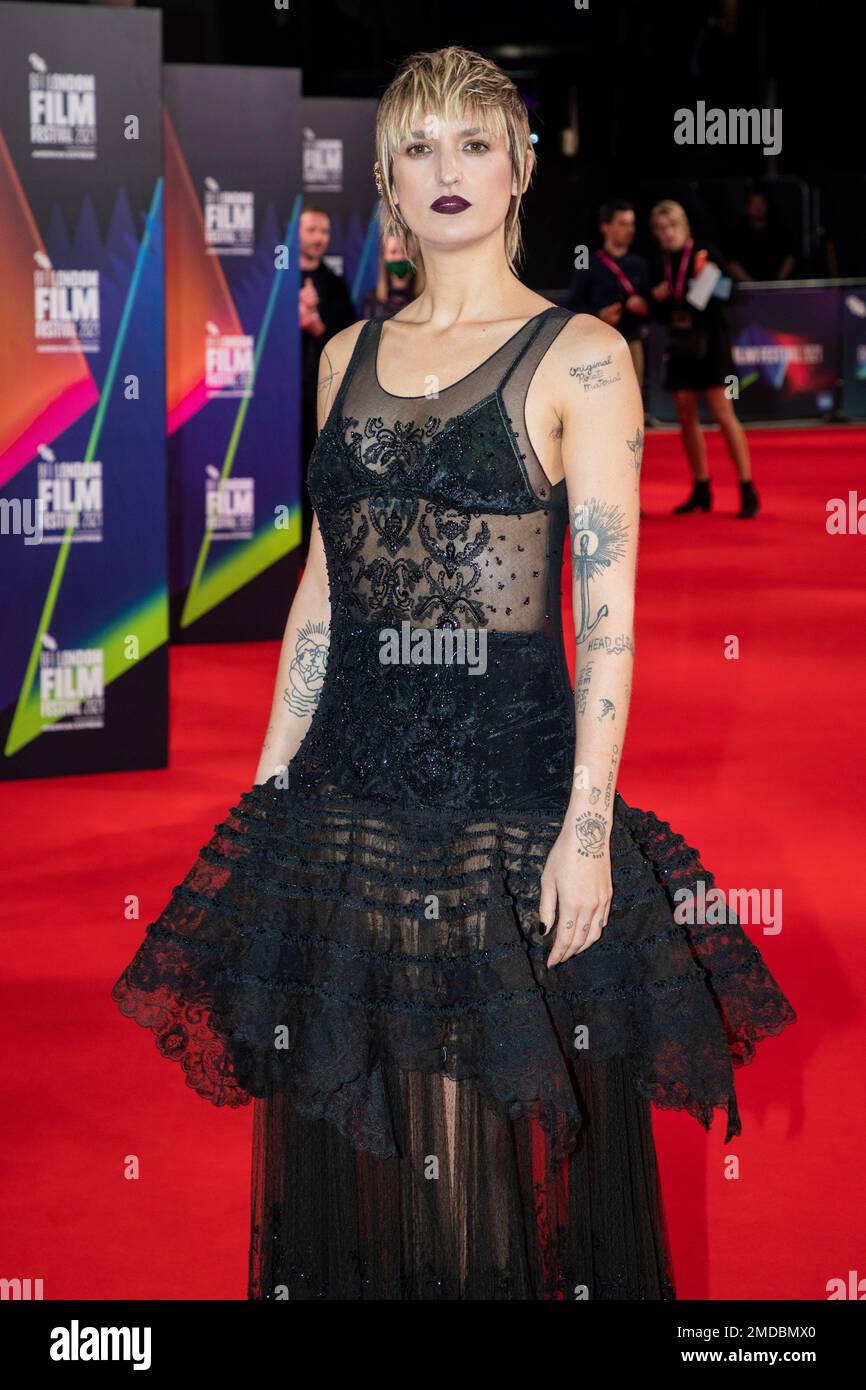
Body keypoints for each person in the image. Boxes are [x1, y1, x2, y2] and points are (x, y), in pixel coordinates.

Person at [111, 46, 795, 1301]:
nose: (446, 170)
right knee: (359, 1136)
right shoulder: (340, 361)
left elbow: (607, 612)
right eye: (418, 145)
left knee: (482, 1154)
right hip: (343, 806)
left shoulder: (581, 355)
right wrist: (267, 793)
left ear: (522, 167)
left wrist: (587, 822)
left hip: (503, 803)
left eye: (473, 141)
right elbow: (322, 590)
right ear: (382, 172)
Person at [649, 199, 760, 518]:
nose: (666, 234)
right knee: (684, 413)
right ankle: (701, 487)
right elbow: (660, 312)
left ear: (684, 227)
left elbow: (732, 293)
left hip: (712, 343)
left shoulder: (704, 252)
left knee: (723, 413)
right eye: (660, 229)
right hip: (681, 344)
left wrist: (705, 283)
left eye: (671, 227)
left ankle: (746, 487)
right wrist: (660, 300)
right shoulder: (661, 263)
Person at [298, 204, 356, 547]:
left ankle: (313, 549)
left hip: (321, 397)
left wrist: (315, 323)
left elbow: (346, 339)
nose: (319, 238)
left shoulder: (334, 285)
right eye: (312, 230)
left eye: (324, 232)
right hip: (280, 400)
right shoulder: (279, 280)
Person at [567, 198, 650, 392]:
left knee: (632, 398)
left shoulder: (641, 264)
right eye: (622, 224)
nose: (629, 229)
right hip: (598, 343)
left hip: (631, 342)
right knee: (599, 398)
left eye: (631, 224)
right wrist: (599, 316)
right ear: (605, 227)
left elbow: (654, 310)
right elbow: (573, 307)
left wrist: (643, 305)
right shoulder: (589, 263)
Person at [728, 186, 796, 284]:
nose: (758, 207)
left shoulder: (780, 231)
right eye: (754, 204)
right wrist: (752, 285)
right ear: (746, 207)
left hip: (777, 286)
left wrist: (777, 283)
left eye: (761, 203)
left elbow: (790, 258)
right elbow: (732, 263)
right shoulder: (736, 234)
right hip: (747, 288)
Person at [361, 231, 425, 318]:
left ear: (416, 254)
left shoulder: (427, 298)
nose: (400, 257)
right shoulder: (372, 300)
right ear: (384, 255)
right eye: (393, 252)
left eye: (406, 252)